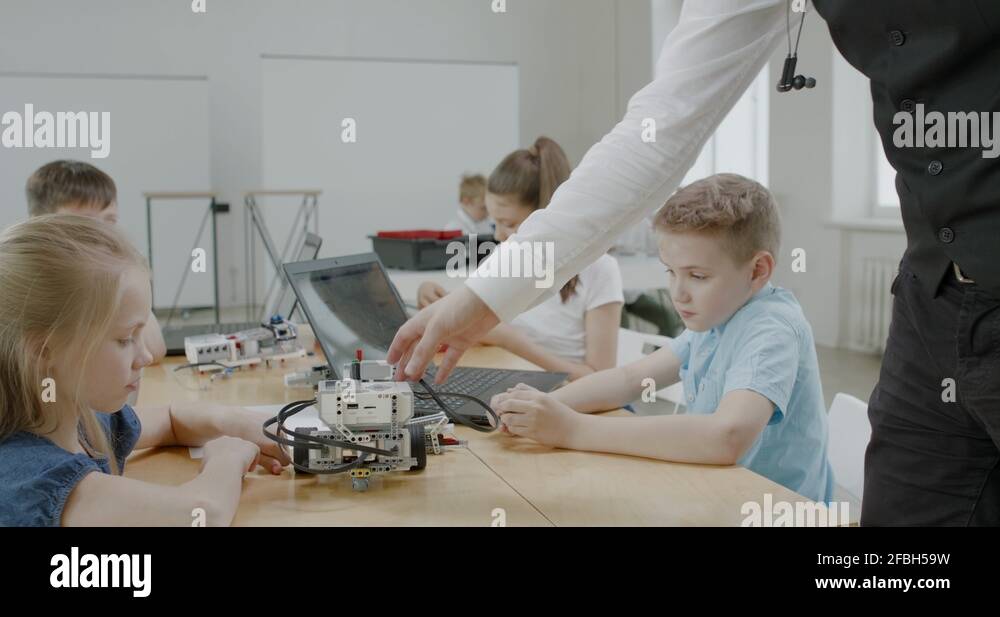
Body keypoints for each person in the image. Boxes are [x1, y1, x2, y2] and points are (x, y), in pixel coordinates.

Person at [389, 1, 1000, 525]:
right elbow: (656, 135)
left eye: (697, 275)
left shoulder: (770, 327)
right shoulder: (715, 324)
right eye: (675, 273)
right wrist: (505, 347)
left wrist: (572, 427)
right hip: (936, 289)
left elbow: (727, 436)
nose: (680, 292)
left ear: (756, 271)